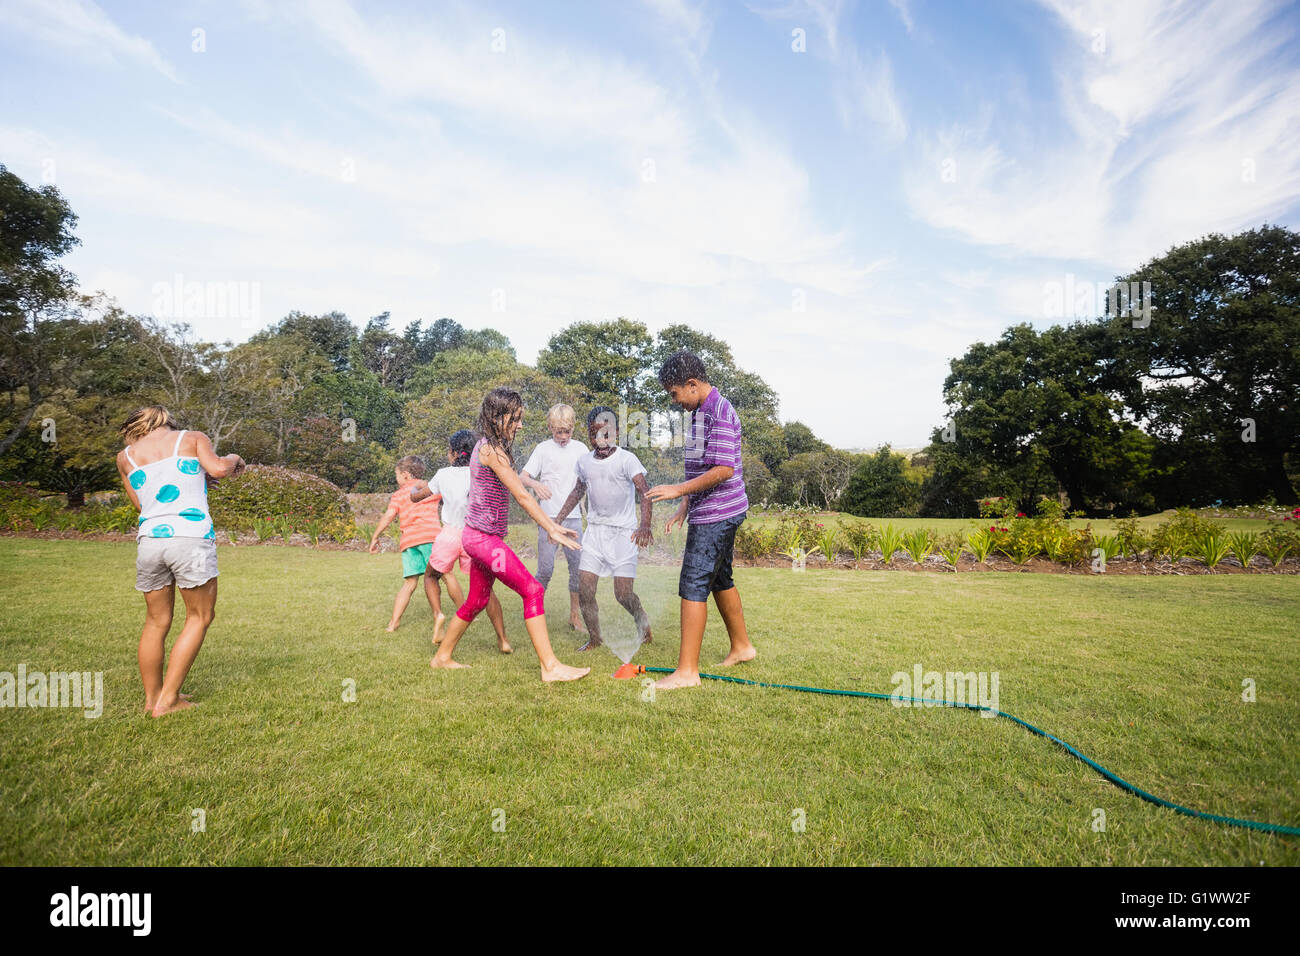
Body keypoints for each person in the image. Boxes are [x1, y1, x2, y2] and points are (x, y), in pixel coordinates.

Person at [430, 388, 589, 682]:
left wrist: (551, 522)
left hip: (479, 537)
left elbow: (517, 487)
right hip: (482, 540)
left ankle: (442, 656)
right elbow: (522, 496)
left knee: (477, 600)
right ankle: (551, 667)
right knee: (533, 590)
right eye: (515, 419)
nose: (520, 425)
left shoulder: (487, 447)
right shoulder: (491, 450)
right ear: (497, 417)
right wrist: (551, 526)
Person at [114, 405, 244, 717]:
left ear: (138, 428)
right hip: (189, 538)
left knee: (156, 621)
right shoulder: (192, 438)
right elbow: (219, 469)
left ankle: (152, 699)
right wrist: (236, 459)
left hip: (150, 542)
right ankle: (168, 701)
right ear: (170, 423)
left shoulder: (126, 457)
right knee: (200, 617)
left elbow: (140, 503)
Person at [646, 351, 756, 689]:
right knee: (720, 578)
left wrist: (679, 490)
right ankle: (742, 647)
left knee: (693, 583)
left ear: (692, 384)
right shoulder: (698, 413)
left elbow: (723, 470)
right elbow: (701, 469)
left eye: (675, 393)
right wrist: (685, 505)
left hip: (719, 513)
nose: (674, 400)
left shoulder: (720, 412)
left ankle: (686, 672)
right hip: (712, 509)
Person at [553, 406, 653, 653]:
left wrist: (645, 526)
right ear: (588, 434)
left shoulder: (627, 460)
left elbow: (645, 493)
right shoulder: (584, 462)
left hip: (624, 533)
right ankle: (595, 639)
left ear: (616, 433)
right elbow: (578, 491)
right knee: (585, 588)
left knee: (623, 594)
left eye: (606, 434)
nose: (600, 440)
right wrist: (558, 519)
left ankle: (643, 623)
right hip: (595, 533)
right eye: (594, 434)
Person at [411, 429, 511, 653]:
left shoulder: (443, 474)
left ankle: (438, 615)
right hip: (474, 535)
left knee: (430, 576)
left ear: (453, 454)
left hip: (449, 534)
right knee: (486, 590)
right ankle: (503, 639)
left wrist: (414, 487)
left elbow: (416, 497)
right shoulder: (480, 473)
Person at [519, 404, 588, 632]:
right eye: (558, 432)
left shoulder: (580, 449)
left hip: (573, 518)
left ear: (573, 428)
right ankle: (533, 612)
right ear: (550, 428)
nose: (562, 437)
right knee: (545, 570)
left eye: (567, 431)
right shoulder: (543, 449)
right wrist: (536, 484)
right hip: (547, 518)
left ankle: (574, 616)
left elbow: (591, 479)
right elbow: (523, 476)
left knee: (577, 569)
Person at [370, 456, 443, 632]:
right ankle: (443, 614)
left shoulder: (398, 494)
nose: (397, 479)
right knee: (442, 578)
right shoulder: (429, 488)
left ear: (405, 475)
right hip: (430, 538)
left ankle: (393, 623)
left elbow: (389, 516)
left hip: (409, 542)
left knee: (410, 583)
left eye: (397, 475)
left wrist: (375, 536)